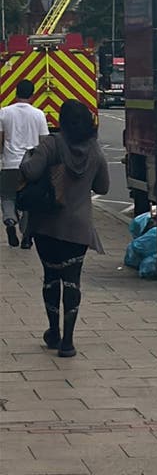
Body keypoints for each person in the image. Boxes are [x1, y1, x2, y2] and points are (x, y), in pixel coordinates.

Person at [20, 100, 109, 357]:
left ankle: (53, 332)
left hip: (47, 225)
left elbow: (31, 171)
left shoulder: (51, 144)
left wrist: (30, 156)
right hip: (79, 229)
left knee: (51, 276)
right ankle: (68, 341)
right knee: (72, 281)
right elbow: (103, 187)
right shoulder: (94, 150)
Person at [0, 78, 49, 249]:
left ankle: (9, 220)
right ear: (33, 95)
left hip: (10, 163)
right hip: (32, 166)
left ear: (16, 93)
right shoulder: (39, 114)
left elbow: (1, 139)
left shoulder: (4, 112)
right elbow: (43, 142)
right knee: (30, 200)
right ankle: (27, 237)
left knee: (7, 196)